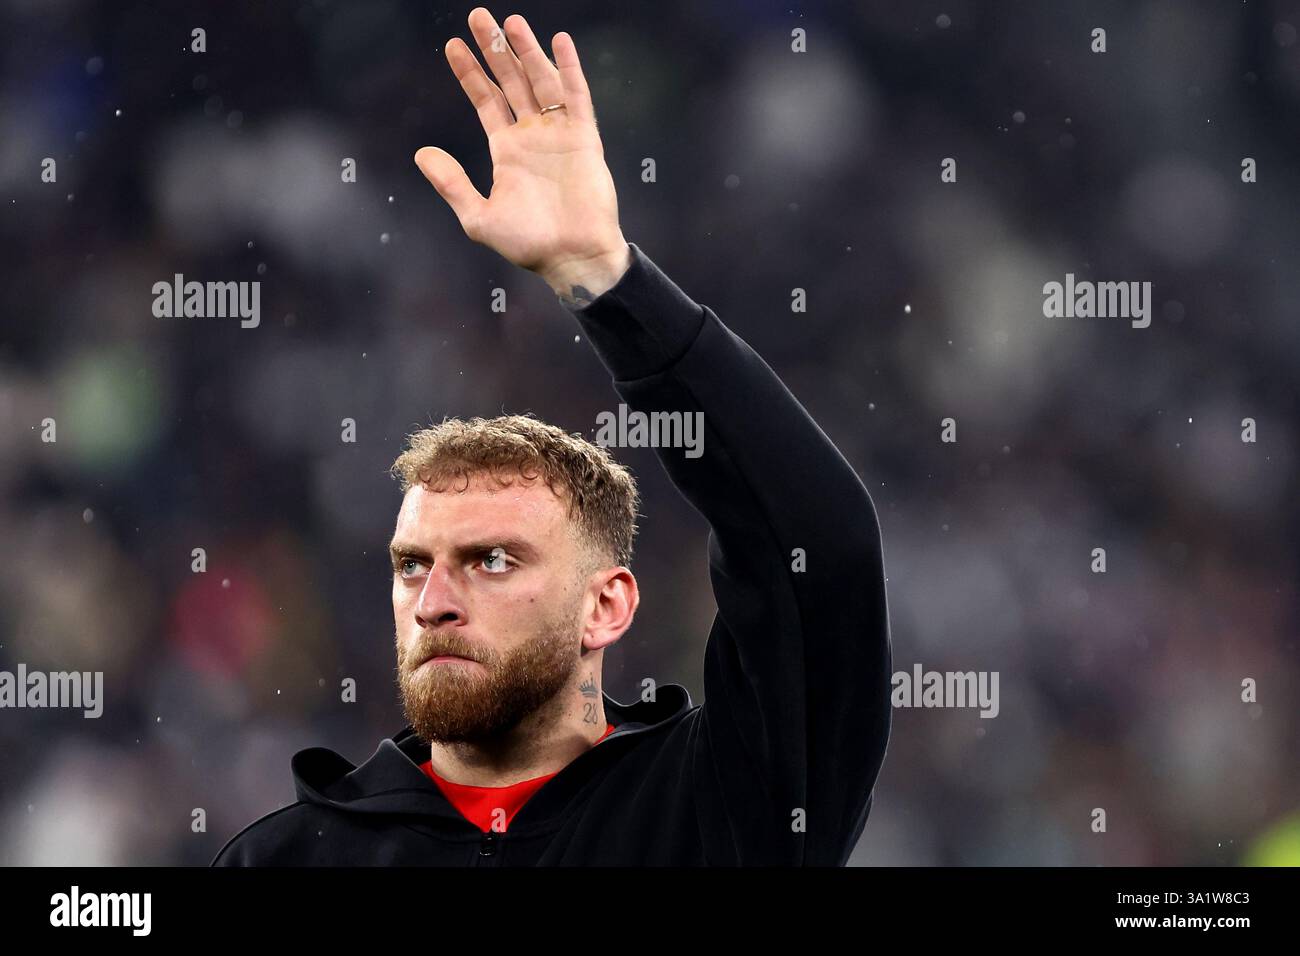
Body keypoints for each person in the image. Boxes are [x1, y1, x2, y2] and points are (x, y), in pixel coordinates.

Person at [212, 6, 890, 866]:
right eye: (412, 565)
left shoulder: (725, 802)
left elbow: (817, 547)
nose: (434, 603)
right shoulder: (285, 861)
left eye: (493, 559)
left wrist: (606, 278)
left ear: (606, 606)